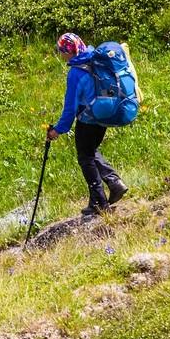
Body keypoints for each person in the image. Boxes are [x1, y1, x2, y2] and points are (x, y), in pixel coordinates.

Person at [47, 33, 129, 216]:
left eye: (62, 51)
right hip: (104, 114)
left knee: (85, 158)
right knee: (91, 151)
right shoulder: (95, 58)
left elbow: (70, 107)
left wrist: (58, 130)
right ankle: (114, 183)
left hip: (88, 119)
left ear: (69, 52)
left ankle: (100, 203)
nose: (61, 55)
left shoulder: (76, 73)